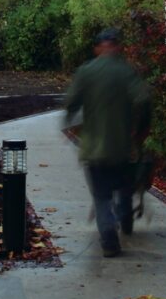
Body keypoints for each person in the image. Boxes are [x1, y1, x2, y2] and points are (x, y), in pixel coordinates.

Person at [63, 28, 151, 256]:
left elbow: (71, 102)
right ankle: (124, 218)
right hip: (121, 148)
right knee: (123, 189)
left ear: (97, 48)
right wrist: (141, 130)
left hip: (94, 149)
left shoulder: (86, 71)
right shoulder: (125, 72)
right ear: (117, 46)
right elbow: (143, 99)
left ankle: (109, 238)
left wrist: (69, 122)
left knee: (101, 197)